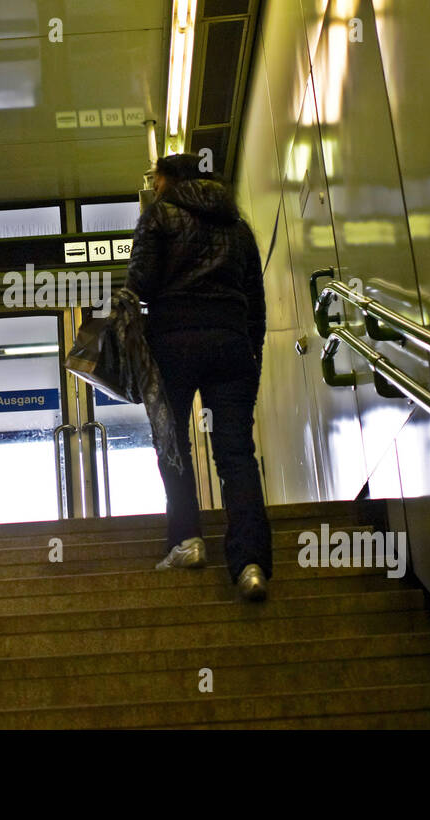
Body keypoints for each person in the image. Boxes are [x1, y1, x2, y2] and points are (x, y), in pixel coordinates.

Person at [125, 153, 272, 602]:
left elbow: (142, 283)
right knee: (235, 453)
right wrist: (253, 349)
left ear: (168, 180)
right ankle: (249, 563)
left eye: (156, 178)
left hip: (174, 343)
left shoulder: (159, 217)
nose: (154, 185)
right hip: (231, 342)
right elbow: (255, 296)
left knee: (174, 443)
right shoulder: (237, 225)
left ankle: (187, 540)